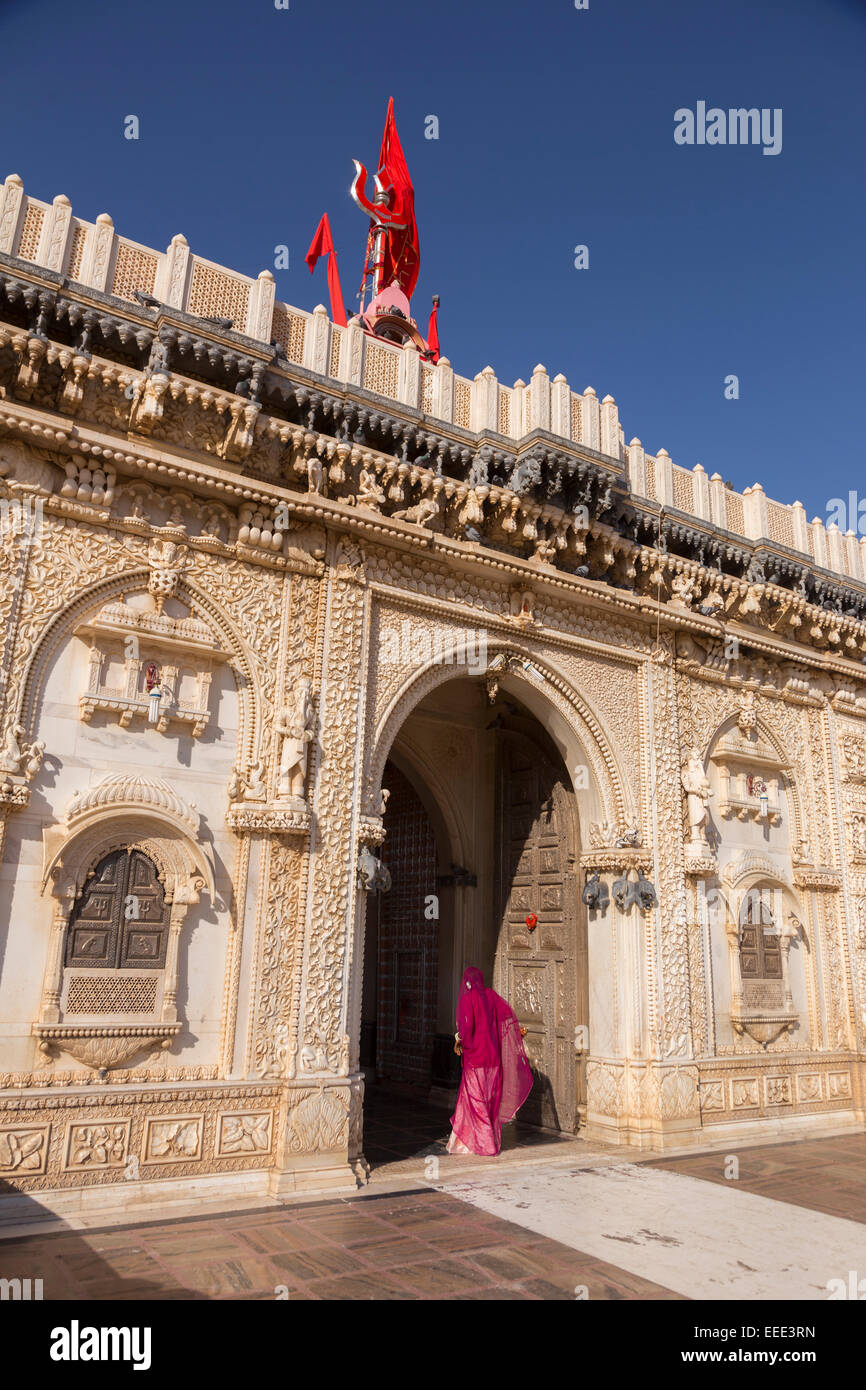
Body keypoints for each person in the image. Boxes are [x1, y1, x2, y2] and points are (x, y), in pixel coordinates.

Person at [446, 966, 533, 1156]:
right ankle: (477, 1140)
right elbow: (508, 1016)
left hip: (476, 1059)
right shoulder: (491, 996)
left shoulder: (468, 999)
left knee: (475, 1100)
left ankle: (484, 1144)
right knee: (488, 1098)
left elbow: (467, 1029)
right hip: (493, 1059)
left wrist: (461, 1041)